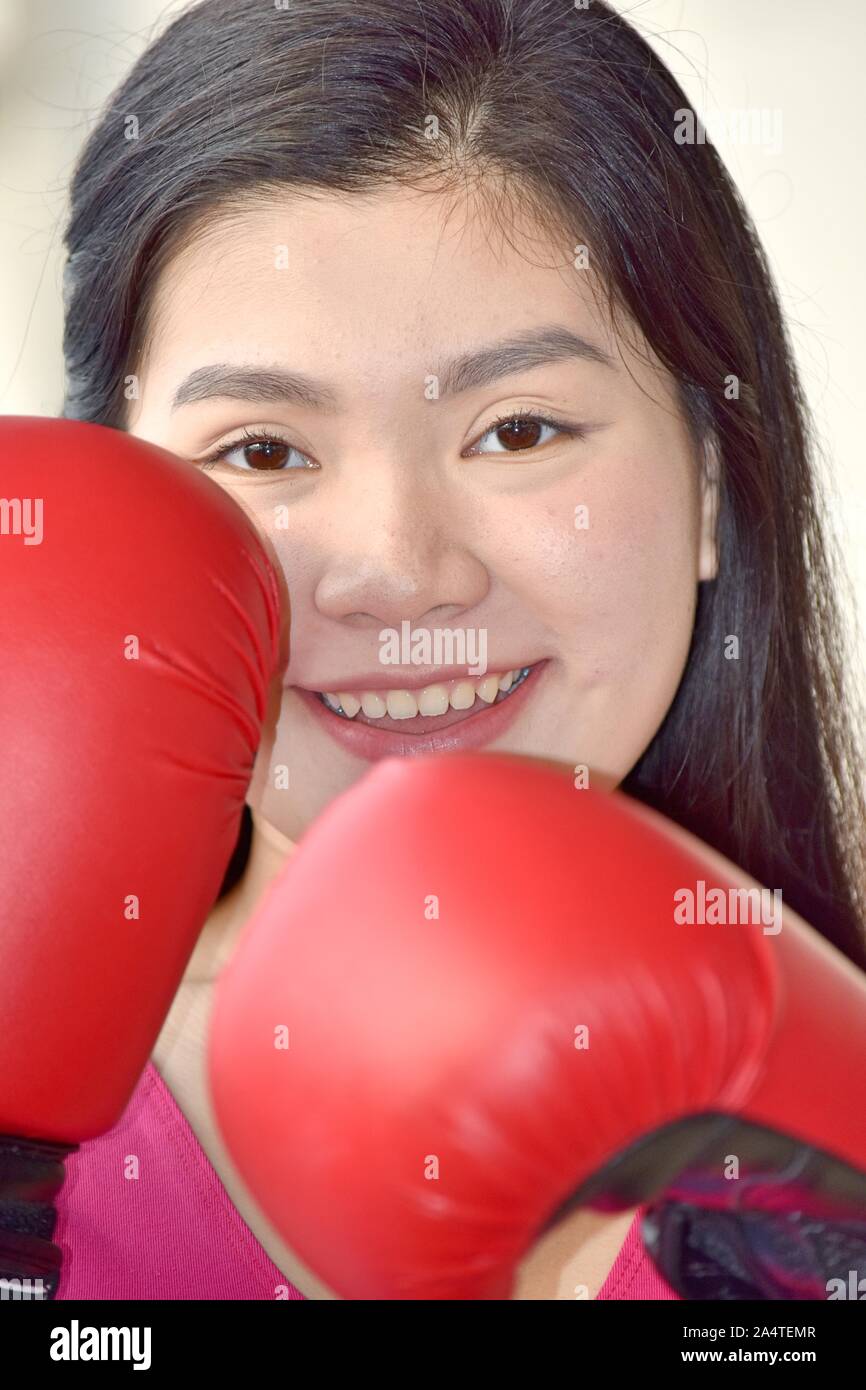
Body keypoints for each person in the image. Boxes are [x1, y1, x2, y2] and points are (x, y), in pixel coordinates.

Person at [56, 0, 866, 1299]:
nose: (401, 569)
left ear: (711, 483)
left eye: (519, 429)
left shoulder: (824, 1154)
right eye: (262, 450)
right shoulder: (38, 1135)